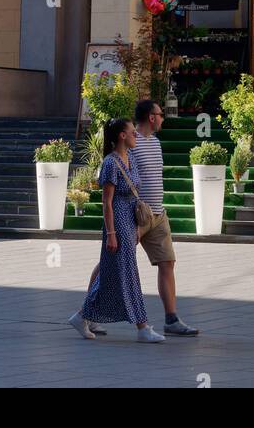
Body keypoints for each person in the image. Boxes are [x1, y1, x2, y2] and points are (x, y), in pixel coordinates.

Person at [68, 118, 164, 342]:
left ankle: (82, 316)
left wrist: (138, 228)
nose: (135, 135)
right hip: (117, 221)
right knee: (126, 273)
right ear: (122, 136)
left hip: (130, 220)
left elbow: (135, 193)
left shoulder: (131, 158)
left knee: (112, 274)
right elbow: (107, 202)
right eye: (131, 132)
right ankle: (142, 327)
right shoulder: (111, 163)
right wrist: (111, 234)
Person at [128, 99, 199, 336]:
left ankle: (171, 319)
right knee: (113, 262)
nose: (162, 118)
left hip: (158, 214)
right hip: (137, 215)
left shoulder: (156, 143)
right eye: (160, 114)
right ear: (151, 117)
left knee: (167, 262)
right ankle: (87, 313)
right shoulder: (132, 143)